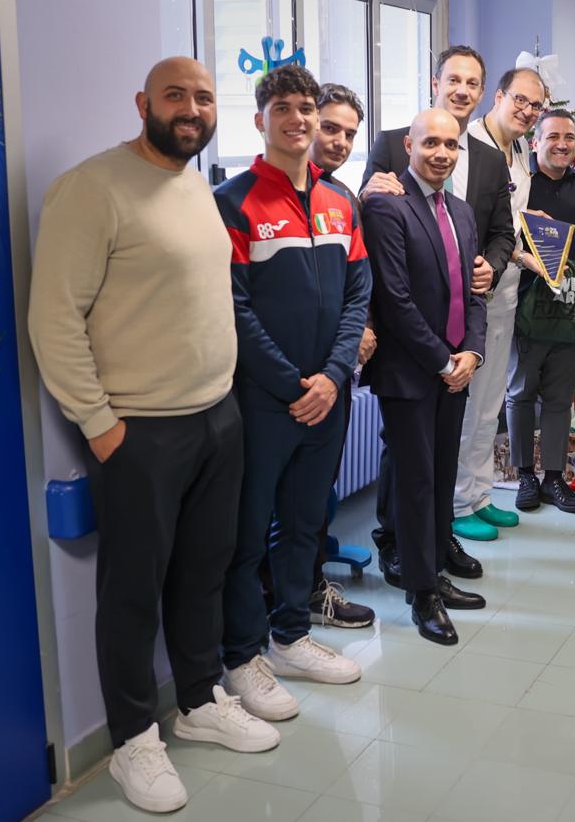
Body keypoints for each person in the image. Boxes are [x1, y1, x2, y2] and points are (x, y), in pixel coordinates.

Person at [28, 57, 278, 813]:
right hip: (139, 433)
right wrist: (102, 428)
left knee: (204, 570)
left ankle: (198, 700)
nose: (191, 109)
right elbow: (54, 320)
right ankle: (134, 740)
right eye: (176, 96)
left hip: (216, 418)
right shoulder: (93, 188)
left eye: (203, 98)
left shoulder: (194, 184)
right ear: (144, 103)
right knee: (132, 592)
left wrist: (225, 404)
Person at [217, 65, 370, 722]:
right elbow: (233, 306)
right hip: (263, 399)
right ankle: (242, 654)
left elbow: (358, 293)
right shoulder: (233, 200)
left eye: (307, 107)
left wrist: (333, 377)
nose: (299, 119)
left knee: (307, 522)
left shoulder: (341, 201)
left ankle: (289, 636)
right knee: (250, 532)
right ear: (261, 119)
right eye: (284, 107)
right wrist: (292, 383)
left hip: (327, 399)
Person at [360, 45, 502, 589]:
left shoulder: (478, 174)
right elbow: (382, 269)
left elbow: (490, 243)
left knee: (439, 467)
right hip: (413, 354)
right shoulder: (389, 176)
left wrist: (471, 349)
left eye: (473, 82)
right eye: (454, 79)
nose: (463, 89)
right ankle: (404, 554)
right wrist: (444, 359)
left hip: (453, 343)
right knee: (410, 466)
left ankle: (437, 545)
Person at [450, 66, 548, 540]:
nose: (528, 112)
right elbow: (468, 222)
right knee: (468, 403)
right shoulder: (466, 146)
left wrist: (532, 224)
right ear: (500, 96)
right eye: (521, 101)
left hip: (505, 292)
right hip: (474, 290)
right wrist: (513, 250)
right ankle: (456, 501)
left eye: (536, 106)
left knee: (490, 403)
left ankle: (480, 494)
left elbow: (506, 213)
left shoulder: (521, 149)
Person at [292, 81, 375, 630]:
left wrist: (352, 345)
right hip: (280, 382)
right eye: (331, 127)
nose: (341, 141)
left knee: (317, 494)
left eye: (350, 133)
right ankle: (286, 601)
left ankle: (309, 589)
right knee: (277, 507)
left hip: (334, 376)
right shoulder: (252, 197)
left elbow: (356, 288)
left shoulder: (344, 199)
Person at [508, 108, 575, 514]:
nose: (562, 144)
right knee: (521, 392)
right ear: (535, 141)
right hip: (523, 305)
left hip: (570, 310)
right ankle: (525, 474)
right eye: (552, 137)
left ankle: (555, 478)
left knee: (560, 397)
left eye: (569, 137)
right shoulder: (517, 183)